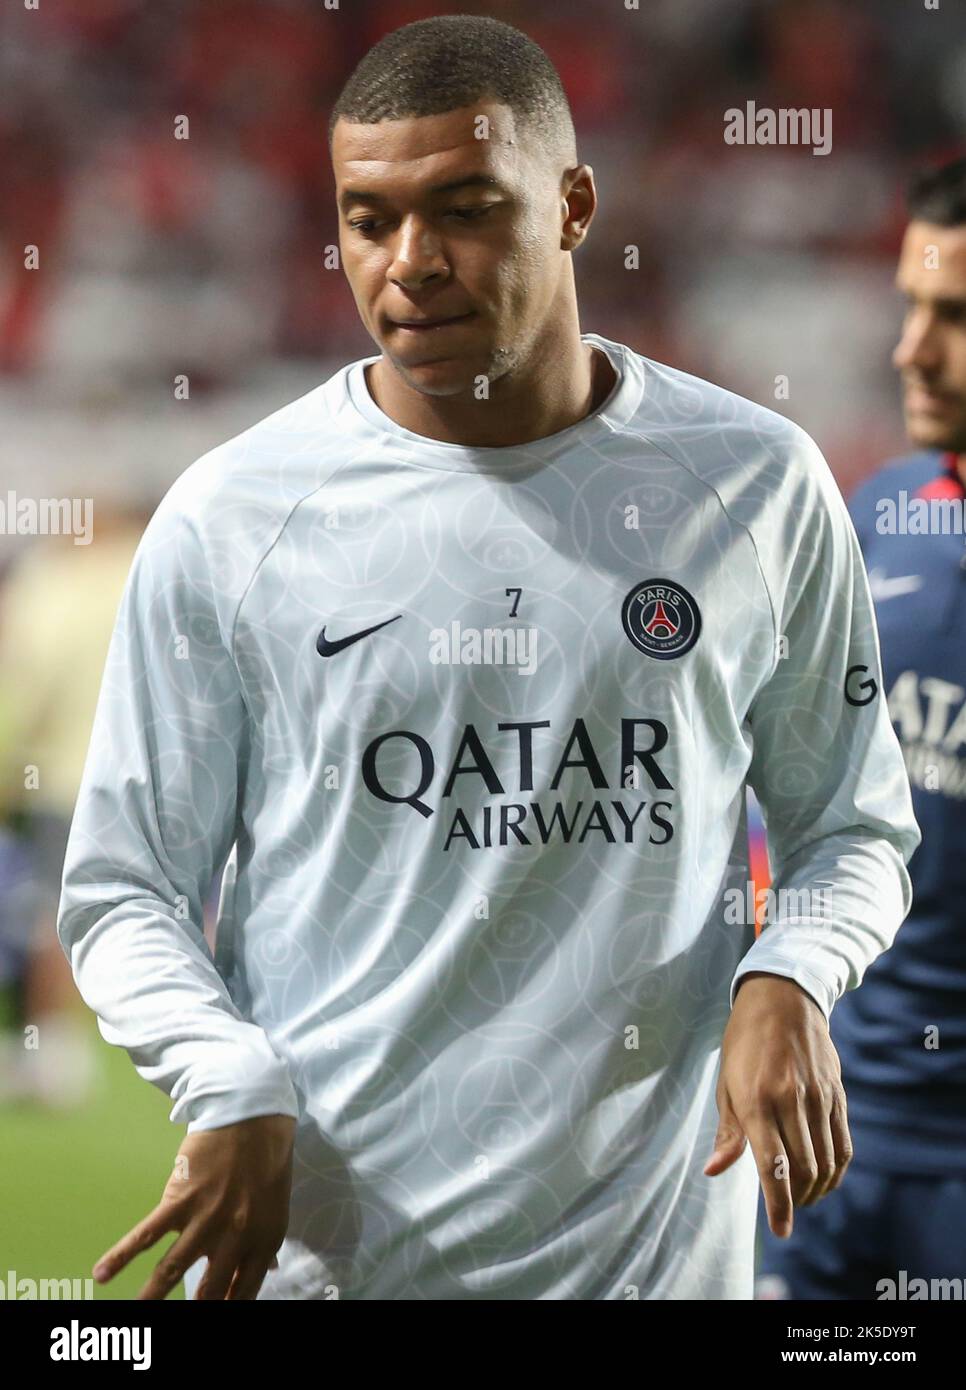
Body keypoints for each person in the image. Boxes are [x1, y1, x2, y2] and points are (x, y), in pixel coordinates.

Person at [57, 14, 919, 1302]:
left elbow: (853, 827)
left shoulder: (750, 485)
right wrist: (224, 1071)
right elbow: (122, 887)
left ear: (573, 205)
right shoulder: (235, 519)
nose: (409, 263)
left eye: (464, 208)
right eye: (366, 217)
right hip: (335, 1270)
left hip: (657, 1269)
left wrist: (791, 967)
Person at [756, 155, 966, 1301]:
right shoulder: (880, 516)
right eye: (911, 306)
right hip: (823, 1142)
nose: (911, 349)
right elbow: (786, 791)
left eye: (955, 317)